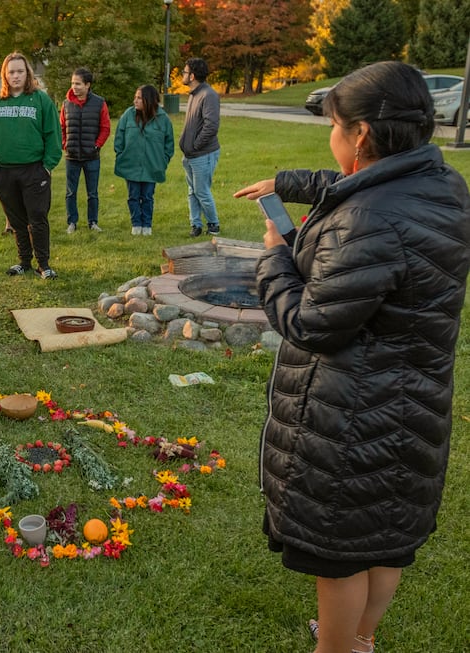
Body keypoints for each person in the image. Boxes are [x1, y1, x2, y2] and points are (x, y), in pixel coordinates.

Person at [234, 61, 470, 653]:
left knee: (339, 554)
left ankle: (335, 648)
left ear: (360, 134)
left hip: (352, 418)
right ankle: (362, 640)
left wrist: (275, 256)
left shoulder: (369, 221)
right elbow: (353, 184)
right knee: (383, 538)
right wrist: (286, 183)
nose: (331, 136)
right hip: (411, 406)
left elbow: (310, 324)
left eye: (334, 126)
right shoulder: (441, 186)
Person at [0, 52, 62, 280]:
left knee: (37, 218)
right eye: (11, 72)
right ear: (4, 75)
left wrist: (47, 166)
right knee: (16, 220)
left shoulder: (41, 100)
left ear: (28, 74)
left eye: (20, 71)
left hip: (34, 170)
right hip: (3, 172)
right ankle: (24, 261)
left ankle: (43, 264)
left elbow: (53, 135)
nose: (15, 76)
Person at [113, 85, 174, 236]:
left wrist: (162, 161)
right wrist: (121, 155)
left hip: (152, 166)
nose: (135, 101)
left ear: (149, 100)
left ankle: (147, 225)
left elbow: (169, 144)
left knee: (147, 196)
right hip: (131, 164)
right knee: (133, 196)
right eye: (135, 97)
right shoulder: (128, 115)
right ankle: (136, 224)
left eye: (139, 98)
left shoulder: (163, 119)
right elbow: (119, 137)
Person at [60, 67, 110, 234]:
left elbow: (105, 127)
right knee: (70, 192)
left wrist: (97, 145)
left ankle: (93, 222)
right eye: (73, 83)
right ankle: (72, 222)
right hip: (72, 156)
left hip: (92, 156)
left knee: (92, 193)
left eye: (78, 84)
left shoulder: (99, 103)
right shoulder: (66, 104)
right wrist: (64, 144)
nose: (74, 87)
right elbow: (61, 127)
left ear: (87, 85)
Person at [179, 57, 221, 237]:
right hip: (190, 154)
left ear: (193, 75)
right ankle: (196, 225)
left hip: (203, 153)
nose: (183, 74)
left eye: (185, 72)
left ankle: (213, 225)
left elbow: (211, 126)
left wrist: (196, 146)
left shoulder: (208, 95)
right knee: (192, 191)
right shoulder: (194, 94)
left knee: (201, 191)